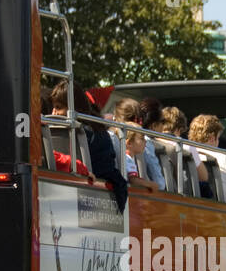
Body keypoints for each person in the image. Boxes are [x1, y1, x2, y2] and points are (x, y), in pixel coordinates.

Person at [51, 80, 127, 212]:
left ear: (74, 108)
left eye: (58, 107)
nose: (54, 113)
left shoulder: (93, 133)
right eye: (54, 107)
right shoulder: (97, 130)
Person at [189, 114, 226, 205]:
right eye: (218, 138)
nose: (218, 141)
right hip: (217, 208)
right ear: (212, 138)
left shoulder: (186, 154)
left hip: (189, 204)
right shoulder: (224, 158)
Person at [114, 97, 165, 188]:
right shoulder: (144, 143)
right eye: (142, 138)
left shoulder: (111, 136)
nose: (144, 140)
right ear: (129, 143)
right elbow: (158, 181)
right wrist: (152, 185)